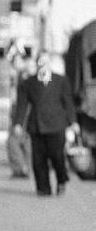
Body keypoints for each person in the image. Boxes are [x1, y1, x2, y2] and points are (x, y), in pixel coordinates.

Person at [15, 53, 78, 196]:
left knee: (57, 156)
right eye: (40, 62)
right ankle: (43, 188)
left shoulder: (61, 81)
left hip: (56, 125)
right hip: (37, 126)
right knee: (38, 159)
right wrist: (18, 123)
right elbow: (22, 105)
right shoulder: (28, 83)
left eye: (45, 62)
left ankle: (61, 180)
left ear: (49, 64)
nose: (42, 65)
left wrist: (73, 122)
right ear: (37, 64)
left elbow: (68, 103)